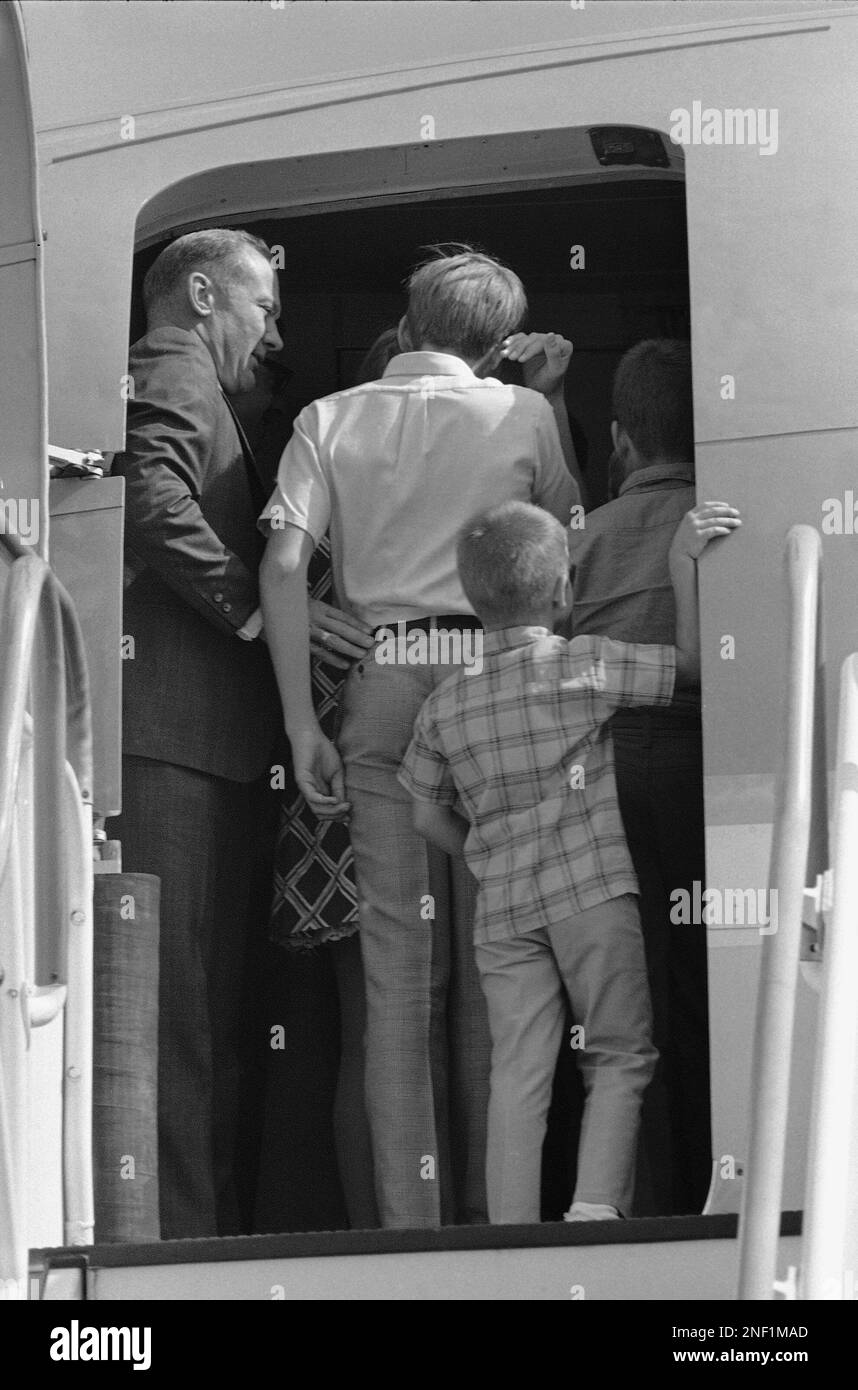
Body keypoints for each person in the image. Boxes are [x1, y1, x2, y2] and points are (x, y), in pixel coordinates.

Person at [258, 245, 580, 1228]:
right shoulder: (521, 413)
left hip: (383, 682)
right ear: (497, 341)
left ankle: (410, 1236)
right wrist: (553, 396)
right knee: (497, 968)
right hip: (495, 680)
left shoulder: (329, 414)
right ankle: (499, 1228)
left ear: (410, 318)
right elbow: (573, 538)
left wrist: (300, 719)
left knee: (397, 983)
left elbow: (279, 564)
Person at [398, 498, 741, 1224]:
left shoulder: (444, 705)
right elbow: (692, 670)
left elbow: (426, 813)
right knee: (618, 1052)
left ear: (469, 596)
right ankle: (592, 1212)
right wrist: (680, 560)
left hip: (504, 912)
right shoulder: (585, 665)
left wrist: (487, 857)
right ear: (562, 593)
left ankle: (512, 1231)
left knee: (518, 1069)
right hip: (592, 891)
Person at [108, 228, 288, 1240]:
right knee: (177, 1011)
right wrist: (253, 607)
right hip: (173, 735)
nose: (270, 334)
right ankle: (178, 1245)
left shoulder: (201, 383)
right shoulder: (174, 366)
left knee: (198, 1013)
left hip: (197, 740)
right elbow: (149, 497)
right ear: (204, 291)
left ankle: (197, 1232)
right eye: (262, 309)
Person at [562, 338, 713, 1215]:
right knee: (710, 983)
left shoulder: (585, 538)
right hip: (703, 765)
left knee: (632, 1005)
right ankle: (724, 1178)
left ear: (618, 438)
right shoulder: (722, 514)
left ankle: (648, 1206)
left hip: (606, 777)